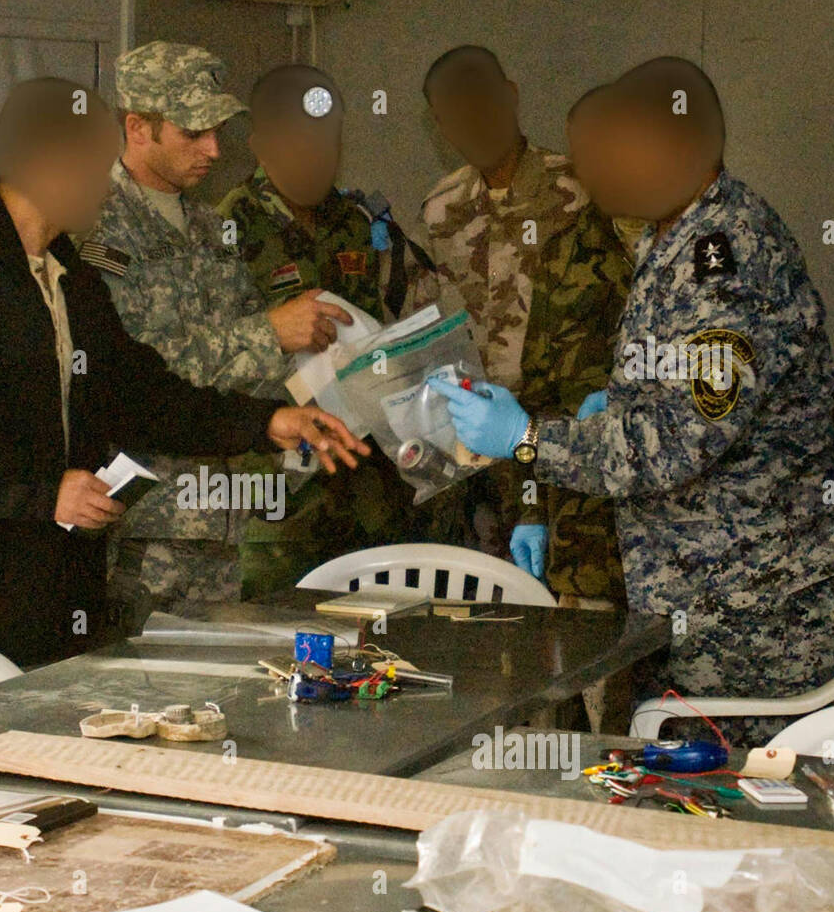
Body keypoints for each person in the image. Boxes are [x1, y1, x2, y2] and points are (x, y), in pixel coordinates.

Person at [0, 78, 369, 670]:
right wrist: (44, 493)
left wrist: (267, 422)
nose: (108, 184)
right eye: (99, 164)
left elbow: (141, 397)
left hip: (59, 595)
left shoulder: (72, 280)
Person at [435, 58, 834, 745]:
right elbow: (674, 393)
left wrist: (528, 440)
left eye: (602, 157)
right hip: (689, 586)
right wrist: (603, 416)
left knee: (739, 802)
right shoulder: (671, 239)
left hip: (750, 605)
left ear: (668, 147)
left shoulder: (725, 255)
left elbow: (677, 442)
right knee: (674, 786)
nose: (588, 176)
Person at [78, 42, 352, 621]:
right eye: (193, 132)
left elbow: (242, 361)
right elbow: (136, 371)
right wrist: (270, 333)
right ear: (138, 127)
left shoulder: (210, 225)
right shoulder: (95, 223)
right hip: (147, 532)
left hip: (225, 520)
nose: (213, 149)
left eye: (218, 131)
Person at [219, 63, 419, 599]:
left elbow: (370, 325)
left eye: (329, 143)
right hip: (281, 491)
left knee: (376, 647)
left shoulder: (354, 220)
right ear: (261, 145)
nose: (319, 160)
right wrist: (270, 331)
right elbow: (198, 366)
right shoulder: (224, 230)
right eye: (300, 144)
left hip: (365, 482)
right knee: (279, 648)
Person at [412, 45, 588, 558]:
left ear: (509, 96)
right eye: (451, 117)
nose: (469, 125)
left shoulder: (579, 190)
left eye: (479, 106)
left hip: (561, 438)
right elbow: (431, 320)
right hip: (473, 449)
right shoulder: (442, 208)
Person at [510, 86, 636, 730]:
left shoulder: (706, 249)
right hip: (583, 540)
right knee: (581, 738)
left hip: (686, 551)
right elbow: (537, 398)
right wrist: (531, 507)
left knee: (666, 733)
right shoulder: (566, 254)